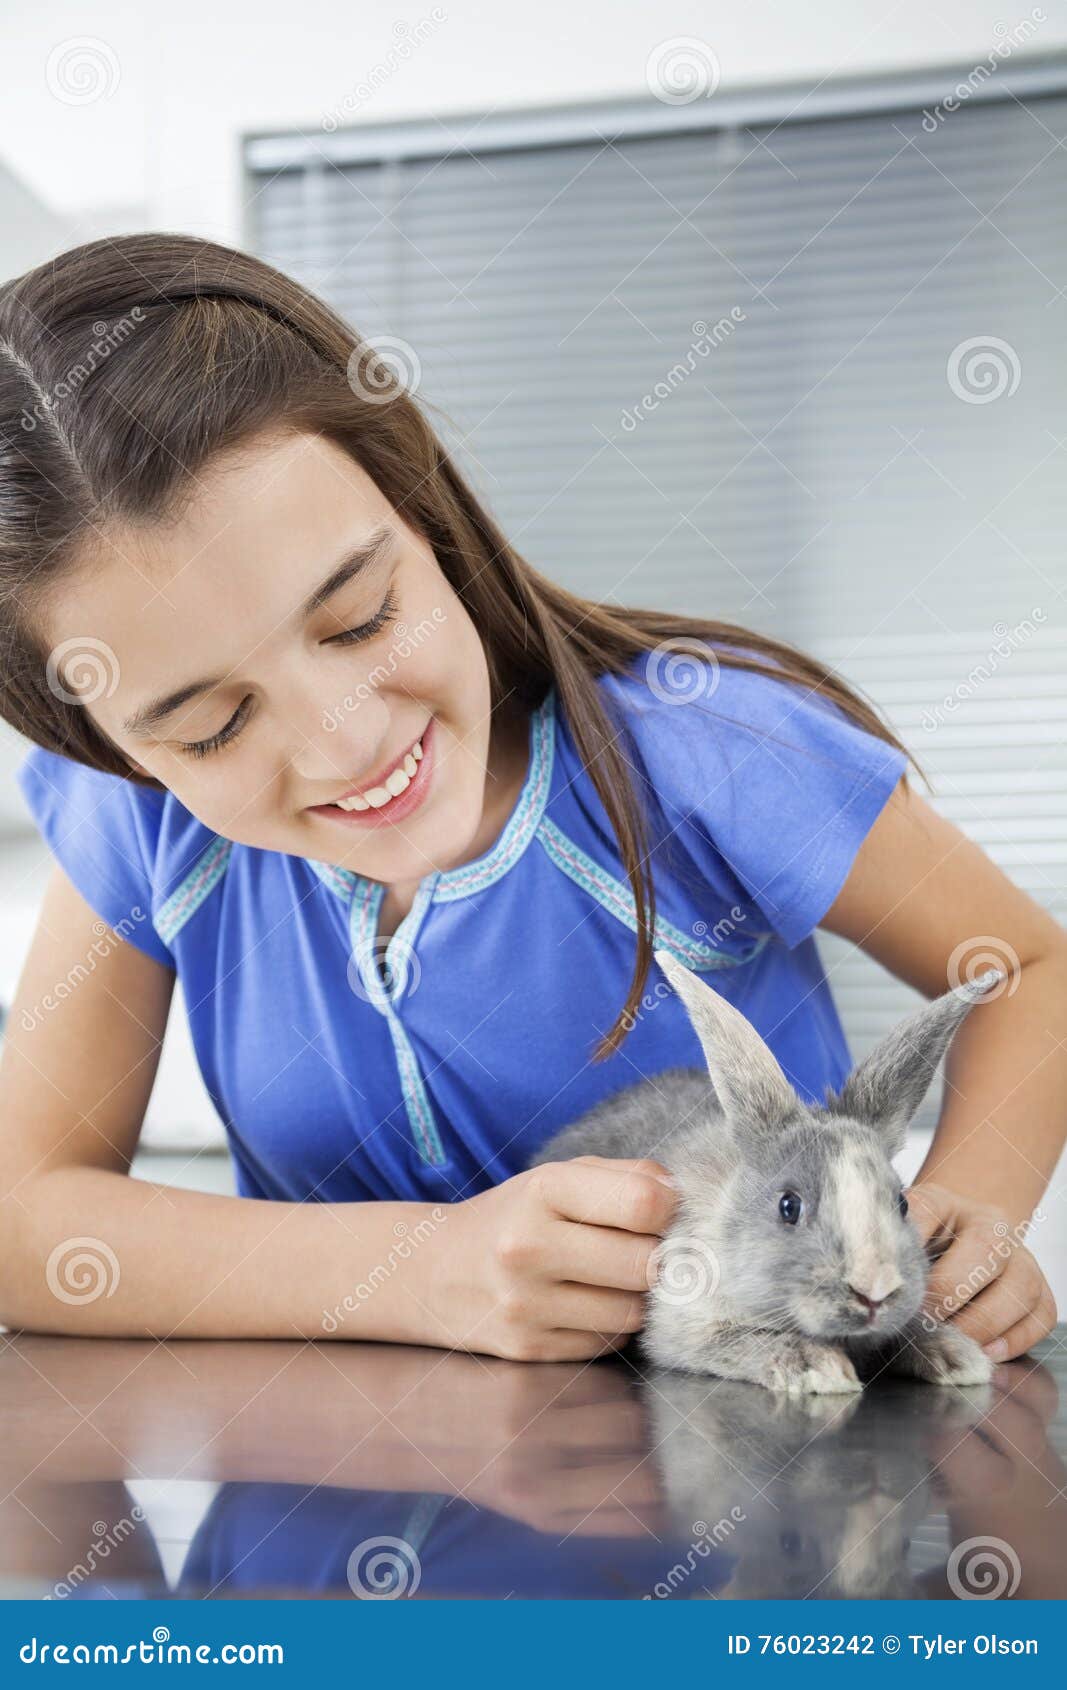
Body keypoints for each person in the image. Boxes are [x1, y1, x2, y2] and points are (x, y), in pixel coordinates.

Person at [0, 234, 1060, 1365]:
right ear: (111, 744)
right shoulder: (140, 819)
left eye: (359, 616)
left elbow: (1029, 972)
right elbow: (22, 1218)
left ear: (423, 506)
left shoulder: (706, 748)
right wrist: (417, 1273)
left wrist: (960, 1214)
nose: (344, 741)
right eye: (210, 725)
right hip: (330, 1510)